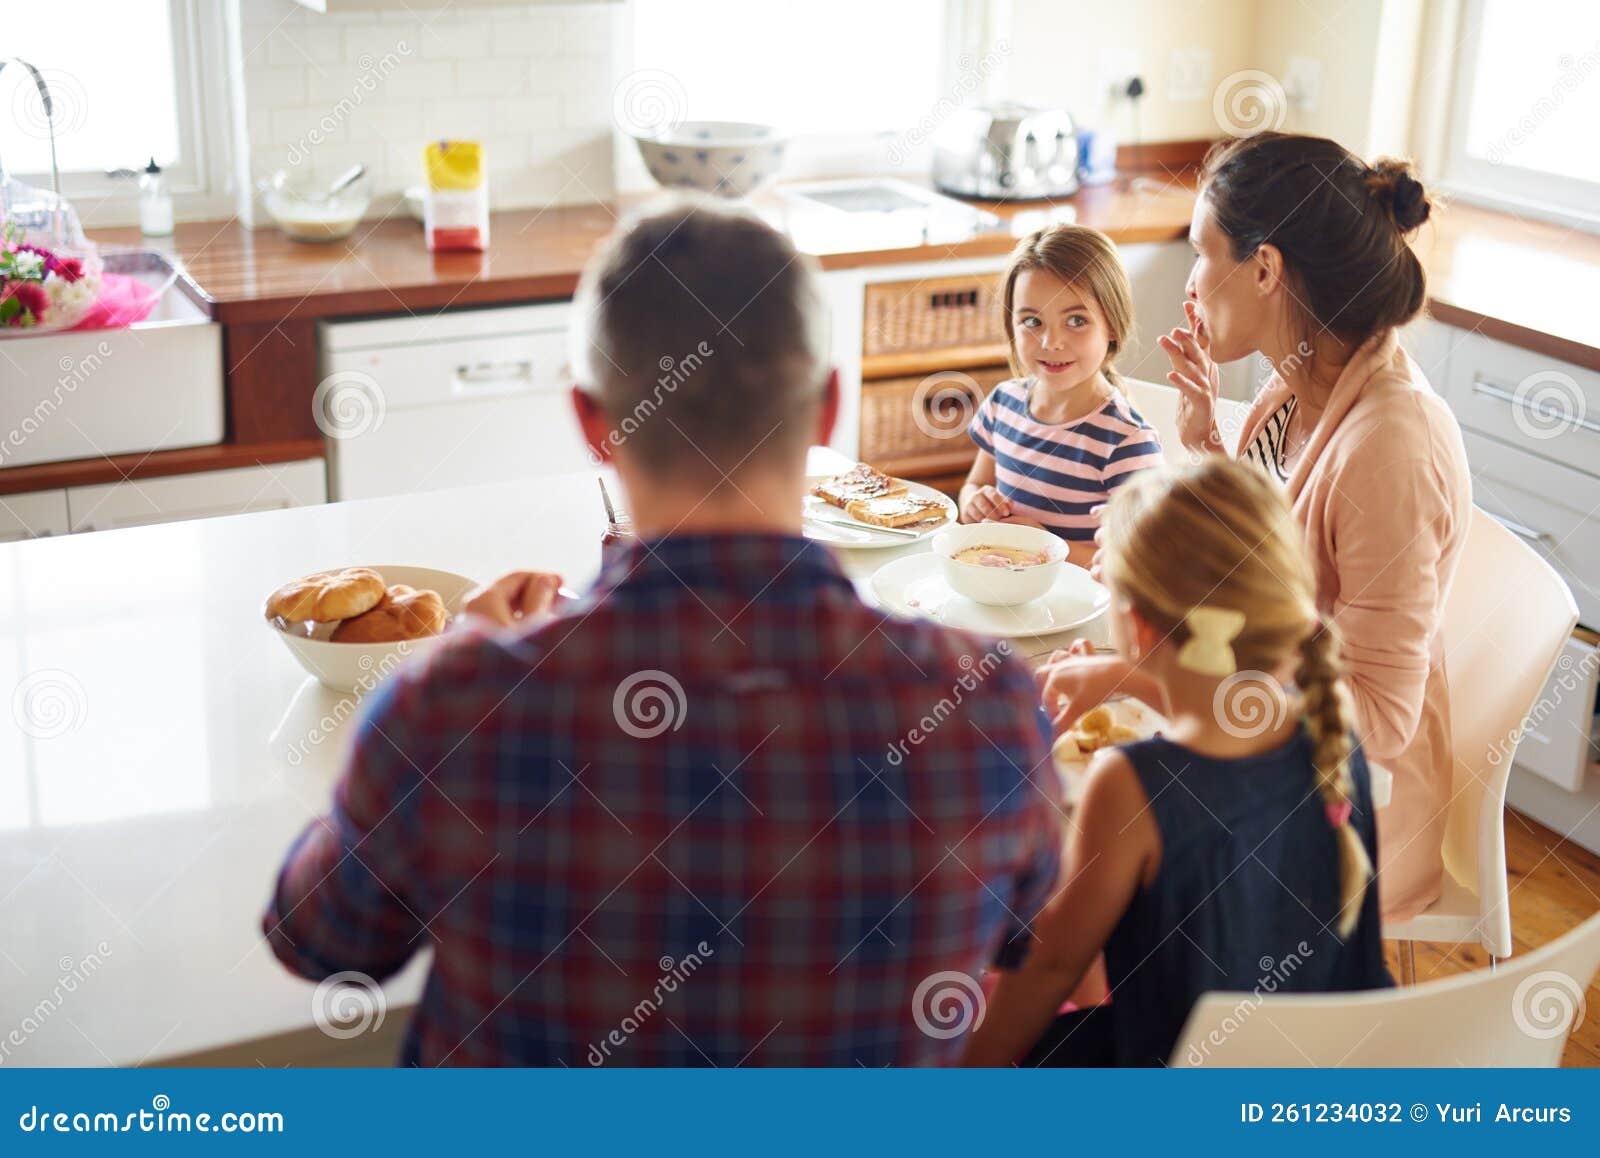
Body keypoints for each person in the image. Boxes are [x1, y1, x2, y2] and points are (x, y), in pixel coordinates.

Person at [261, 200, 1062, 1066]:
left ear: (591, 424)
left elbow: (320, 940)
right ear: (828, 410)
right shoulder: (989, 708)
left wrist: (447, 670)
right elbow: (1020, 932)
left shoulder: (455, 706)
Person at [1051, 133, 1471, 921]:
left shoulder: (1391, 445)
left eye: (1202, 255)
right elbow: (1276, 559)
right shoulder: (1297, 385)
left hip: (1349, 813)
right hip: (1268, 745)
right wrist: (1208, 440)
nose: (1192, 284)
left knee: (1086, 847)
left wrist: (1140, 679)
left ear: (1267, 270)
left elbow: (1377, 723)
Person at [965, 457, 1392, 1067]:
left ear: (1135, 627)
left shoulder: (1131, 784)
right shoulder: (1332, 728)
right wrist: (1120, 674)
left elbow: (1050, 965)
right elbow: (1217, 686)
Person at [959, 224, 1164, 569]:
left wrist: (1046, 548)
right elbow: (974, 485)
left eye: (1076, 321)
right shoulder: (1002, 403)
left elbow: (1142, 565)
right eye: (1032, 322)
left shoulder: (1127, 442)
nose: (1050, 342)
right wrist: (973, 503)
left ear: (1112, 325)